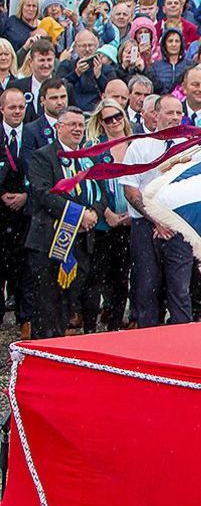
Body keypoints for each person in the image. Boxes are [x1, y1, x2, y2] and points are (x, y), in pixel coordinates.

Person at [121, 95, 201, 328]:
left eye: (179, 113)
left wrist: (172, 220)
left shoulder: (192, 148)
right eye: (170, 113)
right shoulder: (139, 146)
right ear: (156, 115)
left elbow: (197, 189)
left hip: (180, 226)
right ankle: (149, 342)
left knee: (180, 290)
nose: (175, 118)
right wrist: (156, 219)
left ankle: (181, 344)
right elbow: (130, 189)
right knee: (148, 288)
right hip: (145, 226)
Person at [25, 107, 106, 339]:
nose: (77, 129)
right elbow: (44, 194)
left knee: (68, 304)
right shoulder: (44, 156)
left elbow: (102, 195)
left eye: (81, 125)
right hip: (49, 244)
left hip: (82, 244)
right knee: (47, 306)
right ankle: (45, 352)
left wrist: (93, 213)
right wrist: (80, 214)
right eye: (72, 124)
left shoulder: (89, 159)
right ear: (58, 127)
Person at [83, 98, 133, 332]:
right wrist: (107, 212)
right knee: (97, 276)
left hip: (130, 220)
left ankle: (114, 324)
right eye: (108, 119)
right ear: (101, 123)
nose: (114, 122)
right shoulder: (95, 149)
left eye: (118, 116)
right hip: (104, 222)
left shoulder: (136, 144)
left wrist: (133, 212)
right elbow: (90, 186)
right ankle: (90, 326)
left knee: (121, 278)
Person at [0, 88, 32, 339]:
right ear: (2, 109)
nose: (17, 111)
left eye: (21, 107)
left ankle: (25, 319)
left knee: (24, 269)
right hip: (0, 213)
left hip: (25, 214)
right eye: (12, 107)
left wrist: (25, 196)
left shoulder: (32, 134)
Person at [21, 78, 68, 159]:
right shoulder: (32, 130)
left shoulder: (76, 126)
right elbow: (29, 164)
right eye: (54, 98)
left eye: (63, 97)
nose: (60, 102)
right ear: (43, 100)